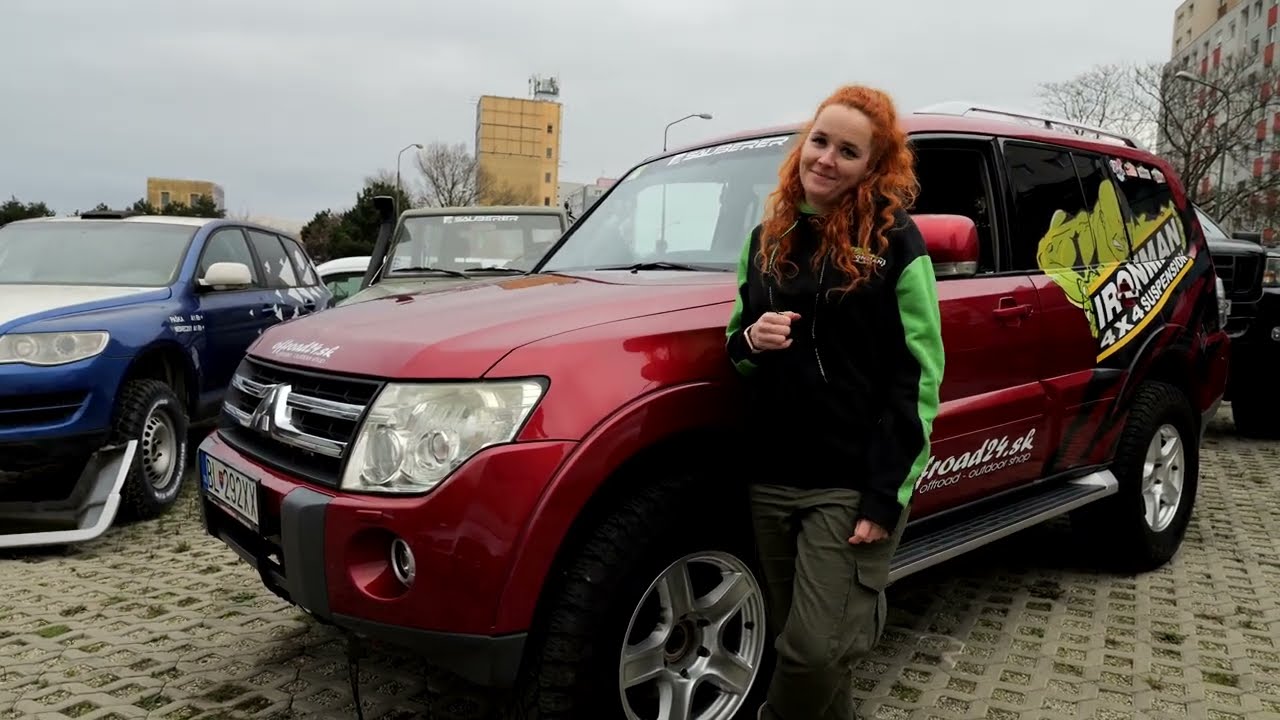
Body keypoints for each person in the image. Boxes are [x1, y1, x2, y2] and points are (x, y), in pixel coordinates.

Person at [724, 84, 945, 720]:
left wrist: (885, 495)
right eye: (819, 141)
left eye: (848, 151)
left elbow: (919, 379)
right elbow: (736, 346)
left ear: (874, 166)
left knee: (811, 653)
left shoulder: (897, 245)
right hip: (771, 476)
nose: (826, 158)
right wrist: (752, 339)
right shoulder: (764, 239)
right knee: (804, 644)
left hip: (848, 484)